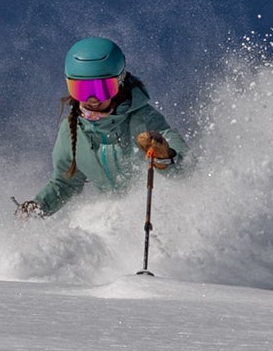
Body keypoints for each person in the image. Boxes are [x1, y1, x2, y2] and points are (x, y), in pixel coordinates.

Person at [15, 37, 186, 218]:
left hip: (160, 217)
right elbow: (65, 183)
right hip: (118, 223)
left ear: (119, 83)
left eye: (102, 89)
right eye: (82, 89)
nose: (92, 99)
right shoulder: (71, 131)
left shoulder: (144, 119)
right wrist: (39, 206)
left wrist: (164, 158)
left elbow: (189, 170)